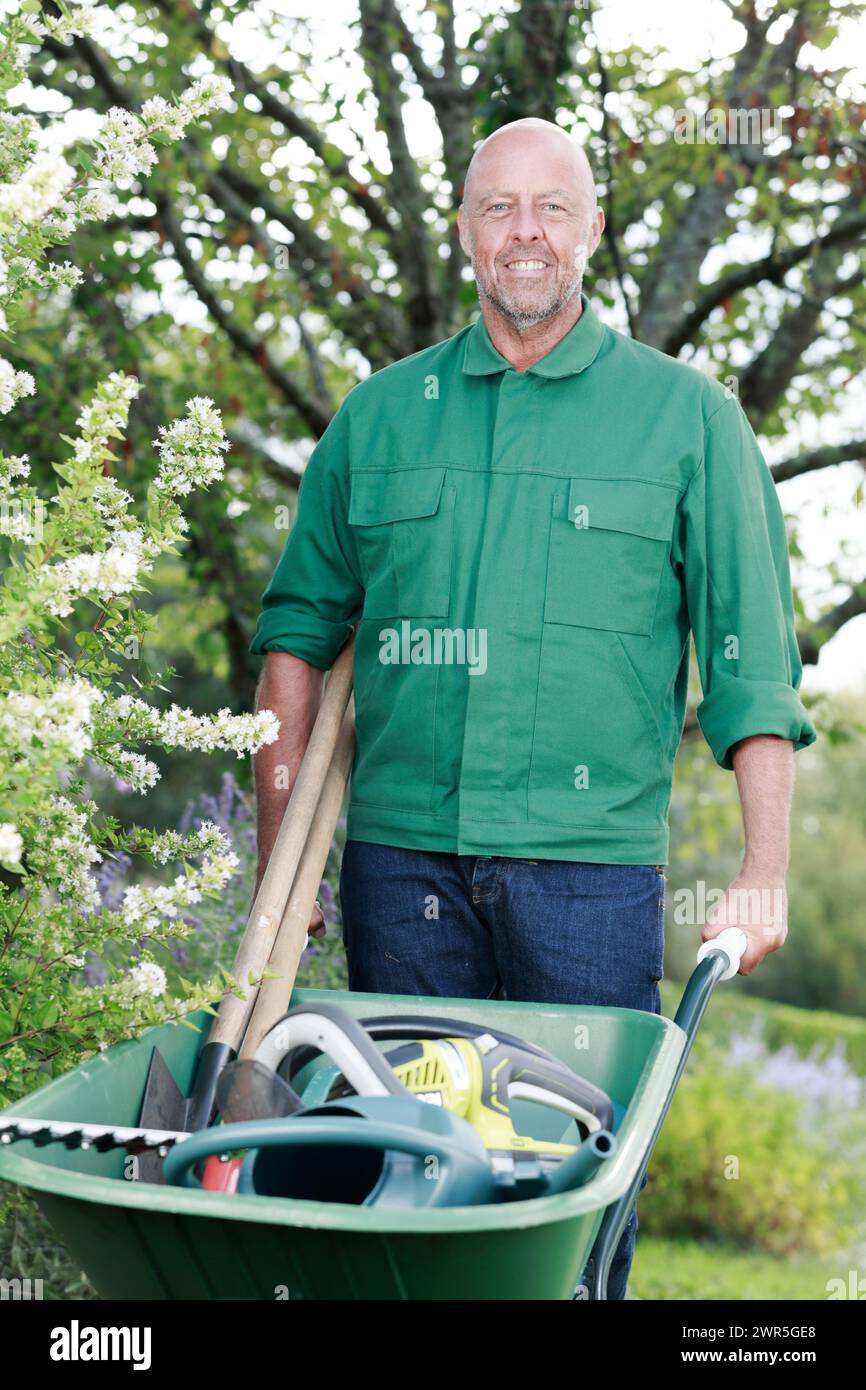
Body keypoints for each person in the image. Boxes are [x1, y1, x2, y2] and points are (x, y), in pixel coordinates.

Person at [248, 118, 816, 1298]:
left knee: (574, 1208)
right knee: (404, 1194)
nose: (524, 233)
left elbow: (747, 662)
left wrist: (762, 865)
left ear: (591, 230)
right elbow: (296, 642)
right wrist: (281, 859)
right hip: (401, 870)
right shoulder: (379, 417)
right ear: (463, 231)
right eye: (497, 208)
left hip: (589, 882)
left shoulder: (686, 420)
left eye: (550, 209)